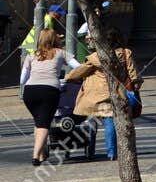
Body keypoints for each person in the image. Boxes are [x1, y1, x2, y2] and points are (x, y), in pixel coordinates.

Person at [73, 26, 140, 161]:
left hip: (96, 95)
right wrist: (136, 87)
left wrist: (68, 76)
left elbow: (81, 71)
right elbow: (133, 74)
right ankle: (112, 152)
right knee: (113, 123)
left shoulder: (95, 57)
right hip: (118, 93)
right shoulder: (126, 53)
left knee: (93, 121)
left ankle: (91, 149)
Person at [20, 28, 77, 166]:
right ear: (54, 39)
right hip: (49, 91)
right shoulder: (61, 53)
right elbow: (78, 66)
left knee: (38, 122)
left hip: (29, 92)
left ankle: (41, 155)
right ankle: (35, 156)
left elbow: (22, 80)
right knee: (44, 124)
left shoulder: (32, 55)